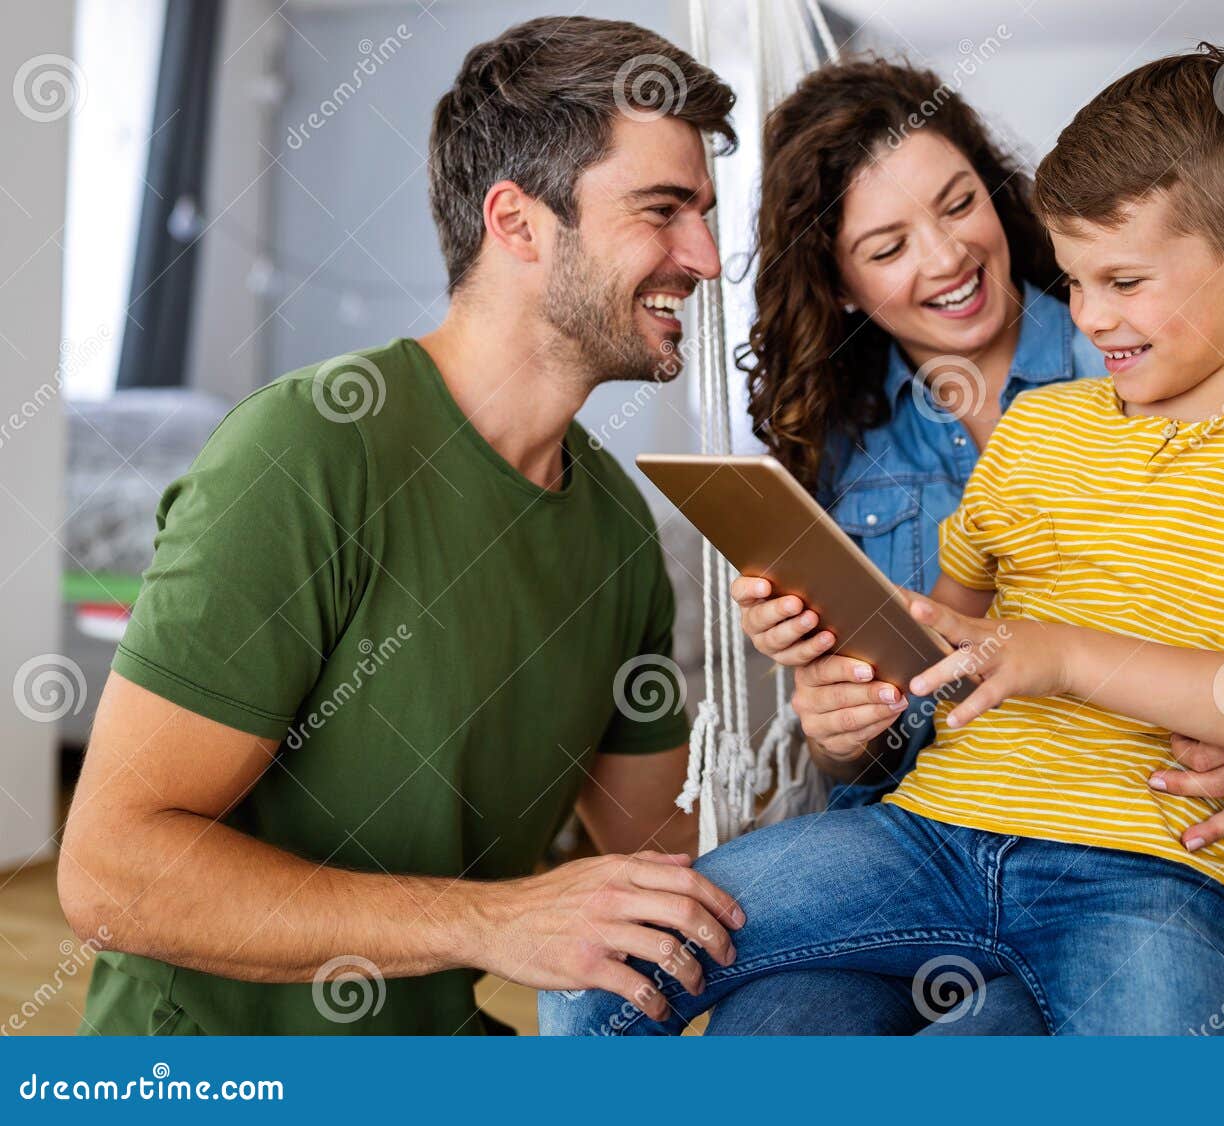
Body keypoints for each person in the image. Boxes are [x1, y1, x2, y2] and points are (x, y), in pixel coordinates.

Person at [540, 43, 1224, 1037]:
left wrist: (1099, 667)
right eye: (1081, 282)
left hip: (1150, 870)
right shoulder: (1033, 430)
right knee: (600, 960)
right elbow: (943, 643)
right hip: (930, 834)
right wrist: (851, 666)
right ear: (840, 285)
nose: (1088, 314)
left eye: (1119, 281)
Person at [57, 17, 748, 1035]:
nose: (705, 257)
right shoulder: (306, 453)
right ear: (516, 222)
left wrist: (826, 726)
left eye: (705, 214)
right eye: (663, 210)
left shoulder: (616, 531)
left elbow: (660, 858)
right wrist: (494, 920)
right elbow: (110, 875)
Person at [715, 58, 1224, 1035]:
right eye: (888, 244)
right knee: (770, 1034)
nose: (947, 254)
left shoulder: (1162, 344)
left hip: (1134, 845)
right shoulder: (843, 445)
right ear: (842, 285)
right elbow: (885, 750)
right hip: (915, 844)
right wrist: (838, 733)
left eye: (959, 204)